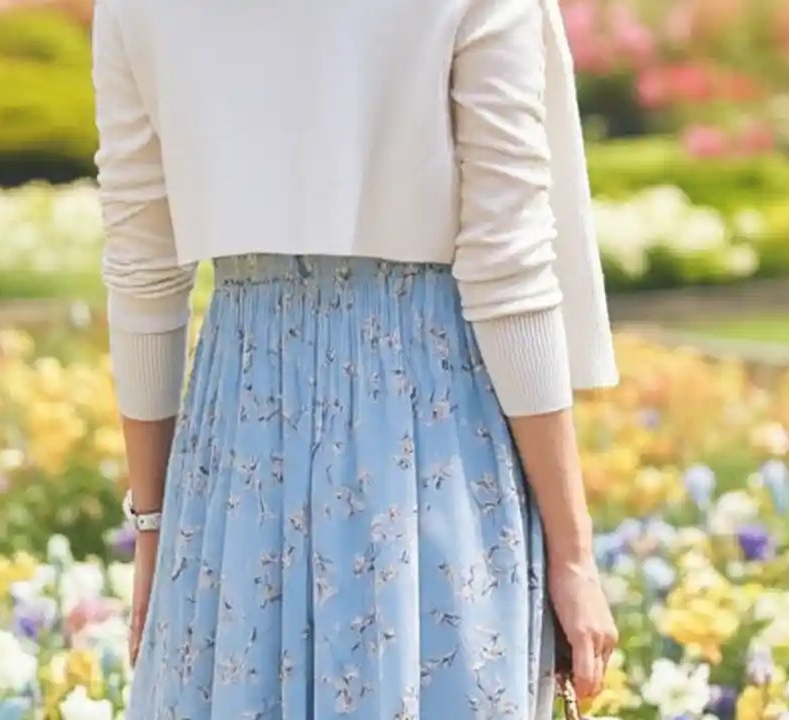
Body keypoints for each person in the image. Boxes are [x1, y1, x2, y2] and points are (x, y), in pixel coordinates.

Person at [93, 0, 620, 716]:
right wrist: (573, 555)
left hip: (237, 445)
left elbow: (143, 274)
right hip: (425, 426)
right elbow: (509, 271)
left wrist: (153, 529)